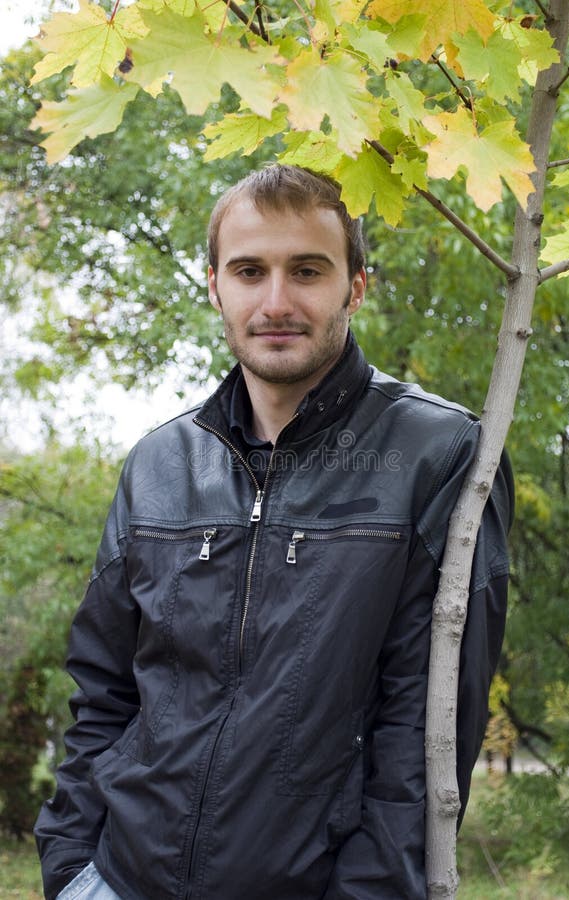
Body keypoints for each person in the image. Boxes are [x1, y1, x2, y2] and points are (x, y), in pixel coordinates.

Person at [35, 164, 513, 900]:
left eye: (308, 271)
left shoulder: (438, 453)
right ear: (214, 285)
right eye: (250, 271)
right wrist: (70, 865)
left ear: (355, 285)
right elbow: (103, 691)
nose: (276, 301)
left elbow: (425, 734)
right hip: (117, 880)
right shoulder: (161, 463)